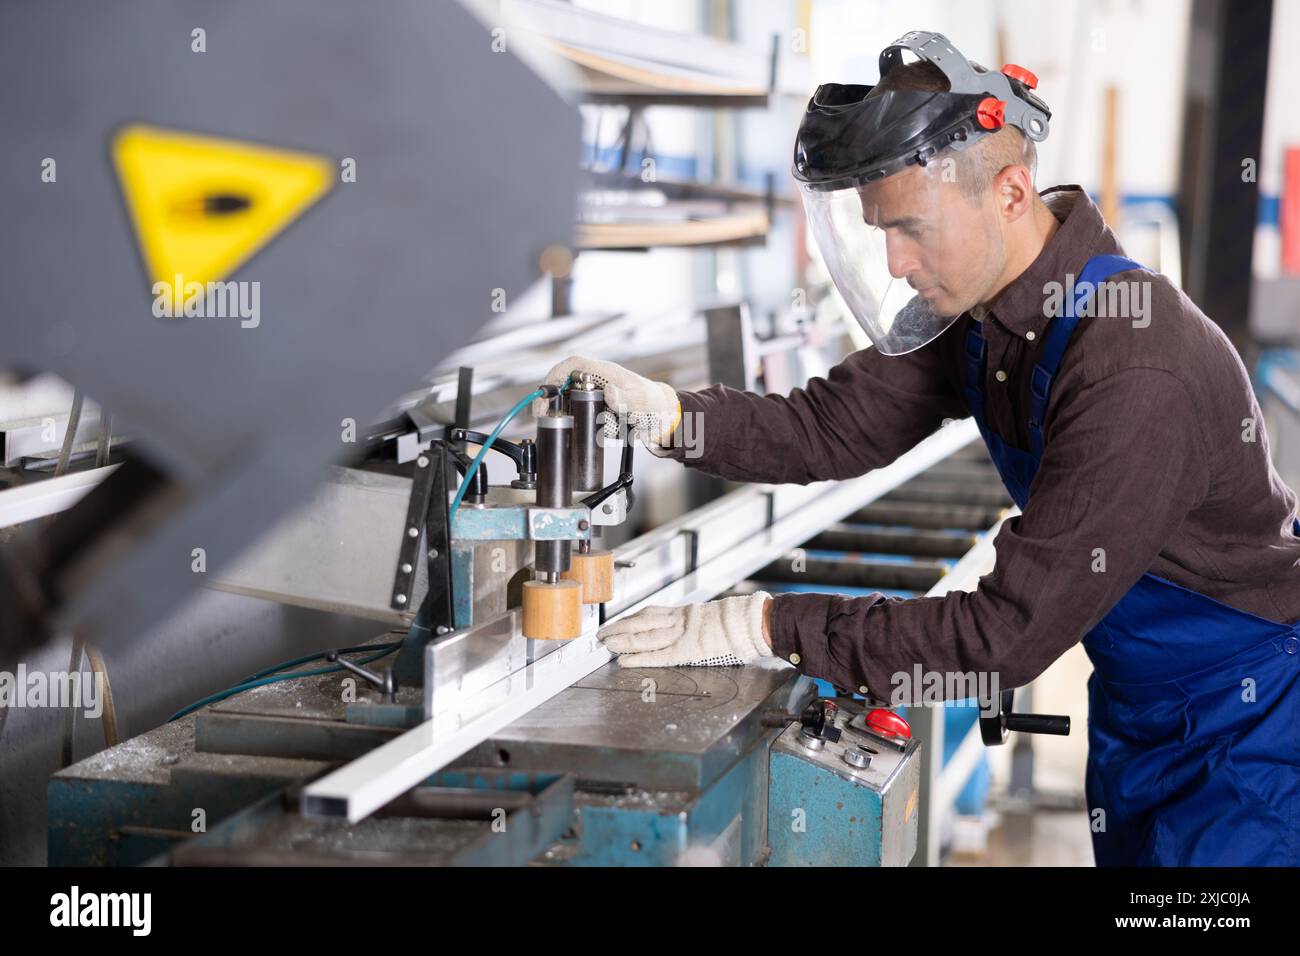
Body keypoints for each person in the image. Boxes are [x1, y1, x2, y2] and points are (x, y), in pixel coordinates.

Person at [539, 31, 1300, 866]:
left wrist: (768, 624)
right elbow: (832, 425)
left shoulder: (1136, 369)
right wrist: (670, 415)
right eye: (879, 233)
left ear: (1010, 192)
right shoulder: (985, 309)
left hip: (1253, 723)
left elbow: (1003, 639)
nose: (897, 264)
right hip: (1147, 706)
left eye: (910, 230)